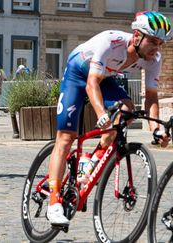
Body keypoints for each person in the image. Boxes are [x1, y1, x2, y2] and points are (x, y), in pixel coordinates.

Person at [46, 11, 171, 226]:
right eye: (152, 41)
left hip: (104, 76)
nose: (156, 48)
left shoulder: (153, 60)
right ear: (137, 36)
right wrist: (102, 114)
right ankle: (53, 202)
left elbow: (151, 96)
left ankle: (94, 159)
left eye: (160, 43)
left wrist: (156, 129)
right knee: (66, 138)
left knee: (127, 109)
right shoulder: (111, 42)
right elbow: (91, 83)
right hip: (79, 73)